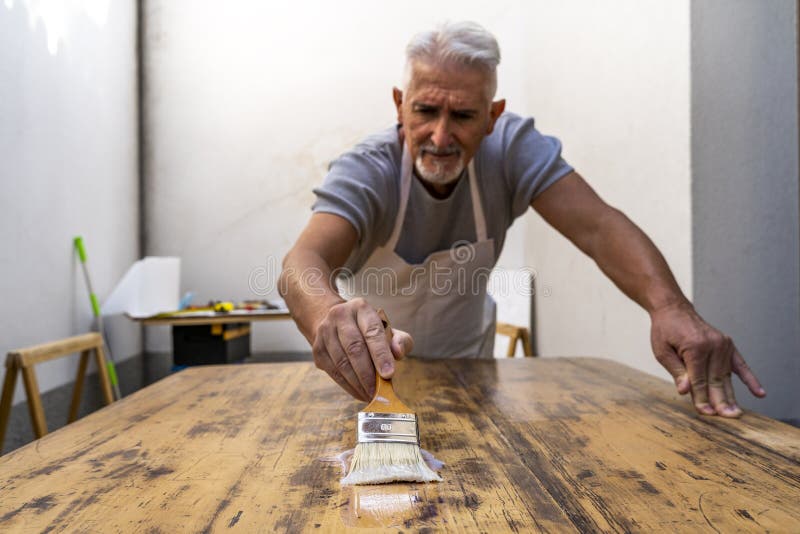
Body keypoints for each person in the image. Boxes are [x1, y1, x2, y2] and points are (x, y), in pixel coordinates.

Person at [279, 21, 765, 416]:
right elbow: (304, 261)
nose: (441, 136)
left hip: (469, 379)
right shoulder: (369, 168)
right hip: (363, 386)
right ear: (399, 105)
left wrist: (670, 307)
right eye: (425, 111)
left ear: (493, 117)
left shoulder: (510, 149)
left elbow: (599, 227)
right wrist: (326, 314)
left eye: (464, 116)